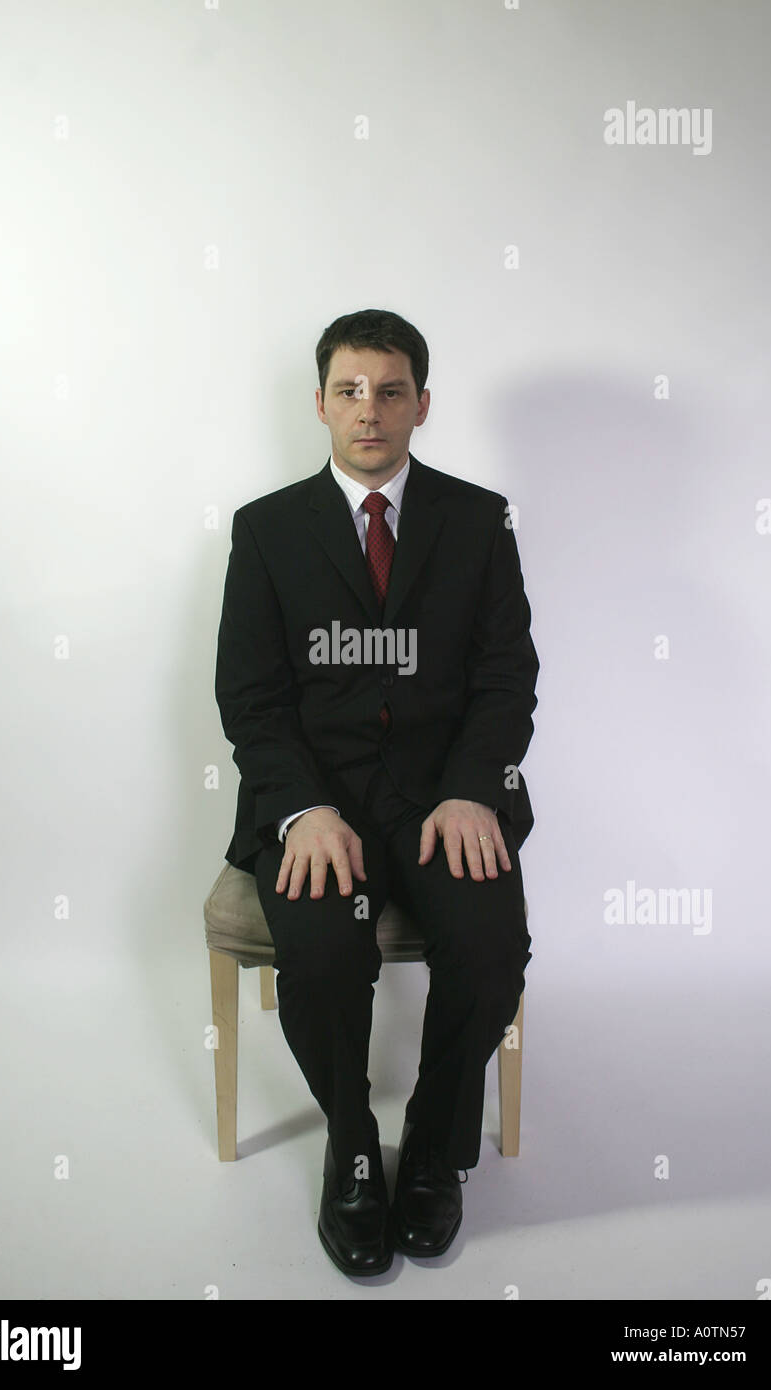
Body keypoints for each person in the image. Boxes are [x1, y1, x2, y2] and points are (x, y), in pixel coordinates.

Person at [214, 308, 538, 1277]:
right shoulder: (266, 530)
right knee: (318, 951)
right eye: (349, 390)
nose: (369, 409)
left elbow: (504, 677)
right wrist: (301, 810)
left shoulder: (478, 521)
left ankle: (437, 1149)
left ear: (421, 405)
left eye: (389, 390)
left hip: (446, 801)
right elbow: (251, 696)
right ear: (318, 403)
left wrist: (475, 789)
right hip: (317, 803)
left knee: (487, 948)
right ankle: (352, 1145)